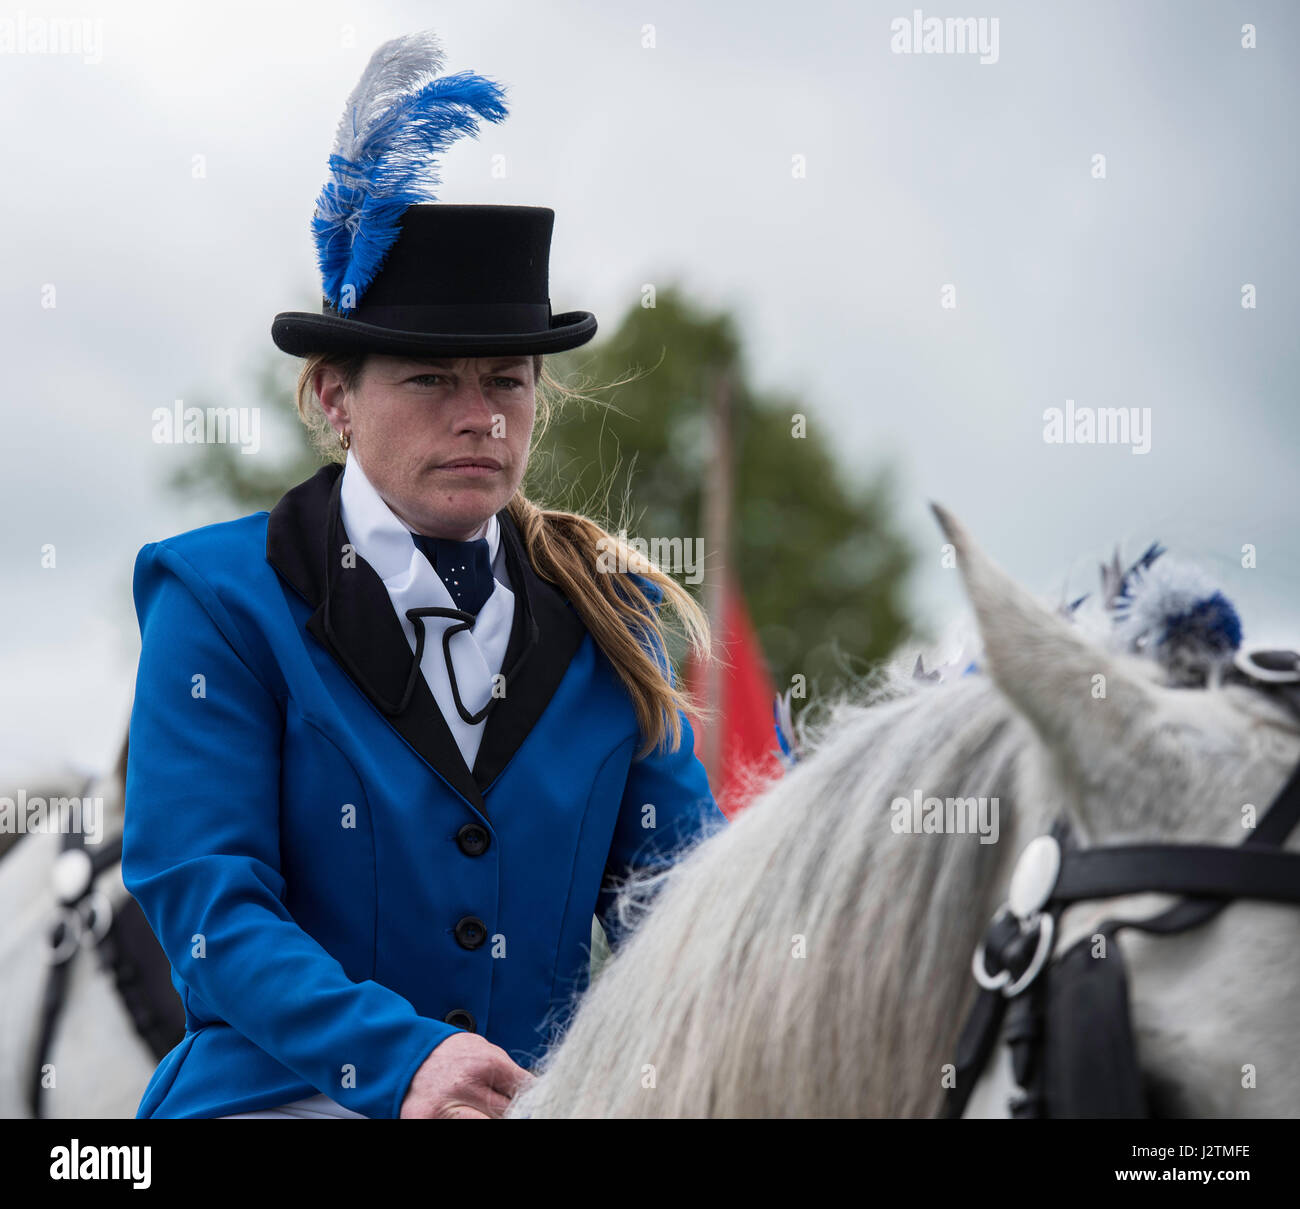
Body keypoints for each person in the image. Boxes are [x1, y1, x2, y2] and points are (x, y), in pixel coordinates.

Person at [120, 32, 724, 1120]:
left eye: (507, 380)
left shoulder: (617, 618)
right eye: (430, 379)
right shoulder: (215, 599)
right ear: (334, 399)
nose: (479, 416)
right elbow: (211, 909)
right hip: (275, 1102)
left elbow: (682, 913)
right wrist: (401, 1059)